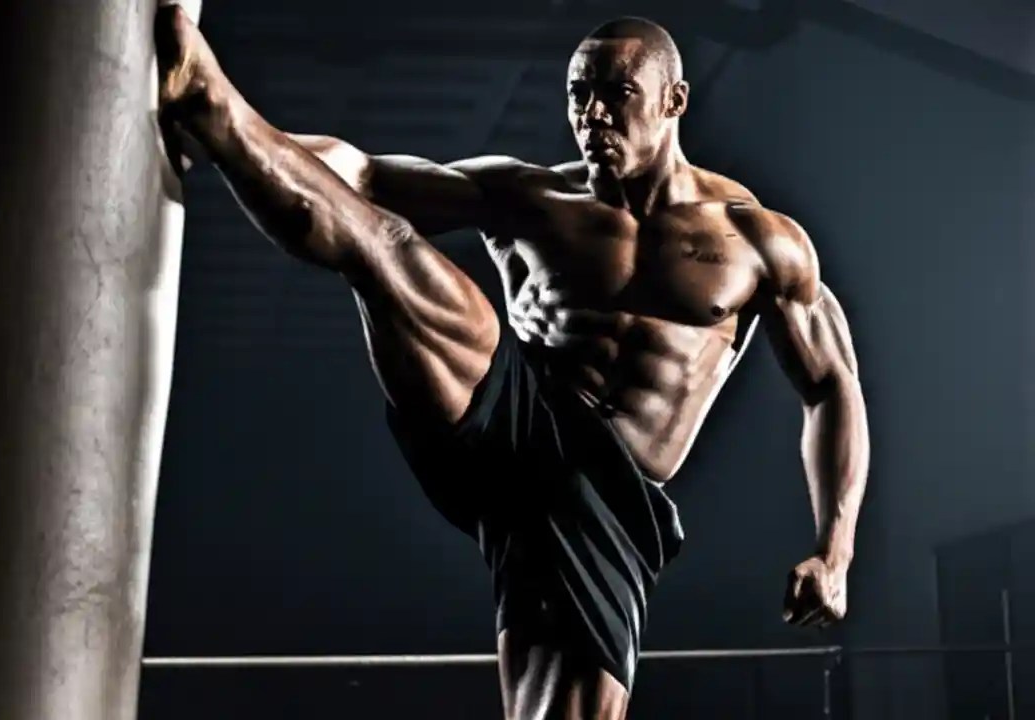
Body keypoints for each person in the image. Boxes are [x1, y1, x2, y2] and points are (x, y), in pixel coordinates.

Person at [154, 6, 870, 719]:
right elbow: (363, 175)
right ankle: (211, 102)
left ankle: (216, 111)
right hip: (511, 413)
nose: (591, 114)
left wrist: (833, 554)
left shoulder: (763, 241)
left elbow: (831, 386)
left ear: (673, 100)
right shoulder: (532, 197)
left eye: (616, 93)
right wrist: (239, 137)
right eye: (577, 93)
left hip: (610, 498)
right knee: (386, 246)